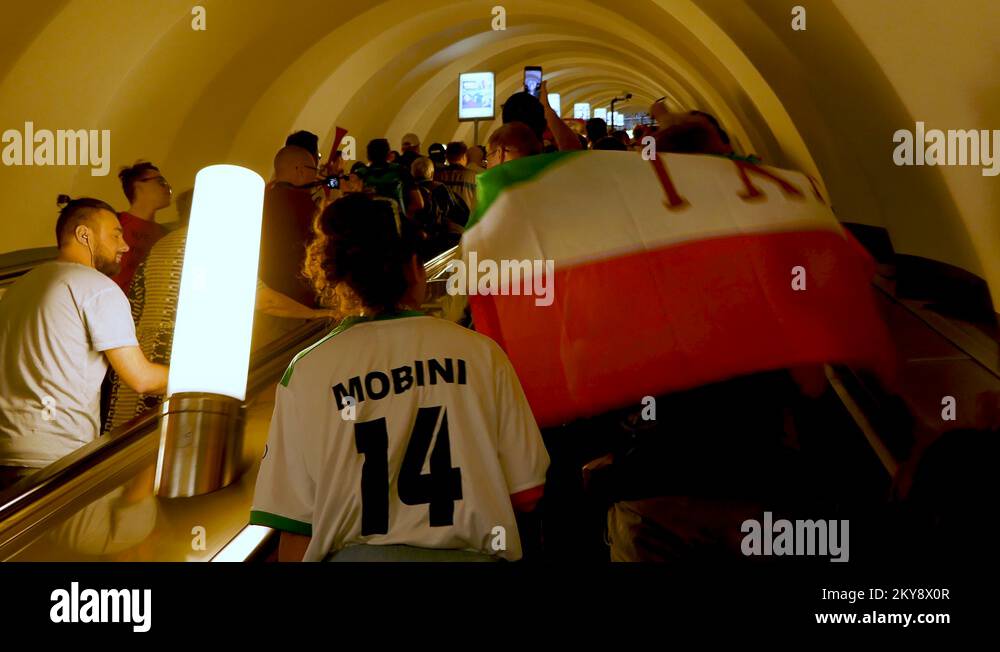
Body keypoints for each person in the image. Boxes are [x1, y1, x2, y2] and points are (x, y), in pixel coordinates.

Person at [249, 193, 550, 561]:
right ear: (414, 268)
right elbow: (527, 492)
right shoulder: (481, 354)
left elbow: (295, 524)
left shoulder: (307, 370)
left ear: (337, 278)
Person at [104, 191, 338, 433]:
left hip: (139, 358)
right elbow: (264, 300)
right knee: (166, 437)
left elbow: (136, 303)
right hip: (175, 357)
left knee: (131, 444)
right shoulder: (213, 243)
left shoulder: (162, 244)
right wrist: (316, 314)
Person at [0, 196, 168, 490]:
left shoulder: (17, 289)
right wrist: (205, 377)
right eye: (116, 233)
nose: (125, 245)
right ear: (83, 234)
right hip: (56, 459)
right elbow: (140, 379)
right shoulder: (97, 288)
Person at [259, 145, 321, 307]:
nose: (316, 176)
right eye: (313, 169)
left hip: (268, 291)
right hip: (301, 296)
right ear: (300, 170)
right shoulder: (303, 205)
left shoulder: (261, 199)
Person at [112, 161, 171, 293]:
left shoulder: (166, 235)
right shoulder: (114, 222)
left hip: (150, 308)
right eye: (161, 182)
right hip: (114, 305)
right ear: (138, 185)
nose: (168, 188)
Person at [411, 157, 464, 259]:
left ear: (412, 173)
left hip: (415, 242)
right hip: (438, 241)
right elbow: (460, 212)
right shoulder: (440, 188)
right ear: (431, 173)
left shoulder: (408, 190)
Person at [358, 138, 422, 219]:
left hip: (368, 224)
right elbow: (418, 203)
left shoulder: (360, 174)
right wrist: (404, 217)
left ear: (368, 156)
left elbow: (339, 186)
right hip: (395, 224)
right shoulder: (401, 171)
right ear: (389, 155)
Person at [433, 140, 477, 215]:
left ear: (447, 157)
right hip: (465, 220)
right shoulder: (473, 176)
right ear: (463, 156)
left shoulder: (437, 175)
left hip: (443, 219)